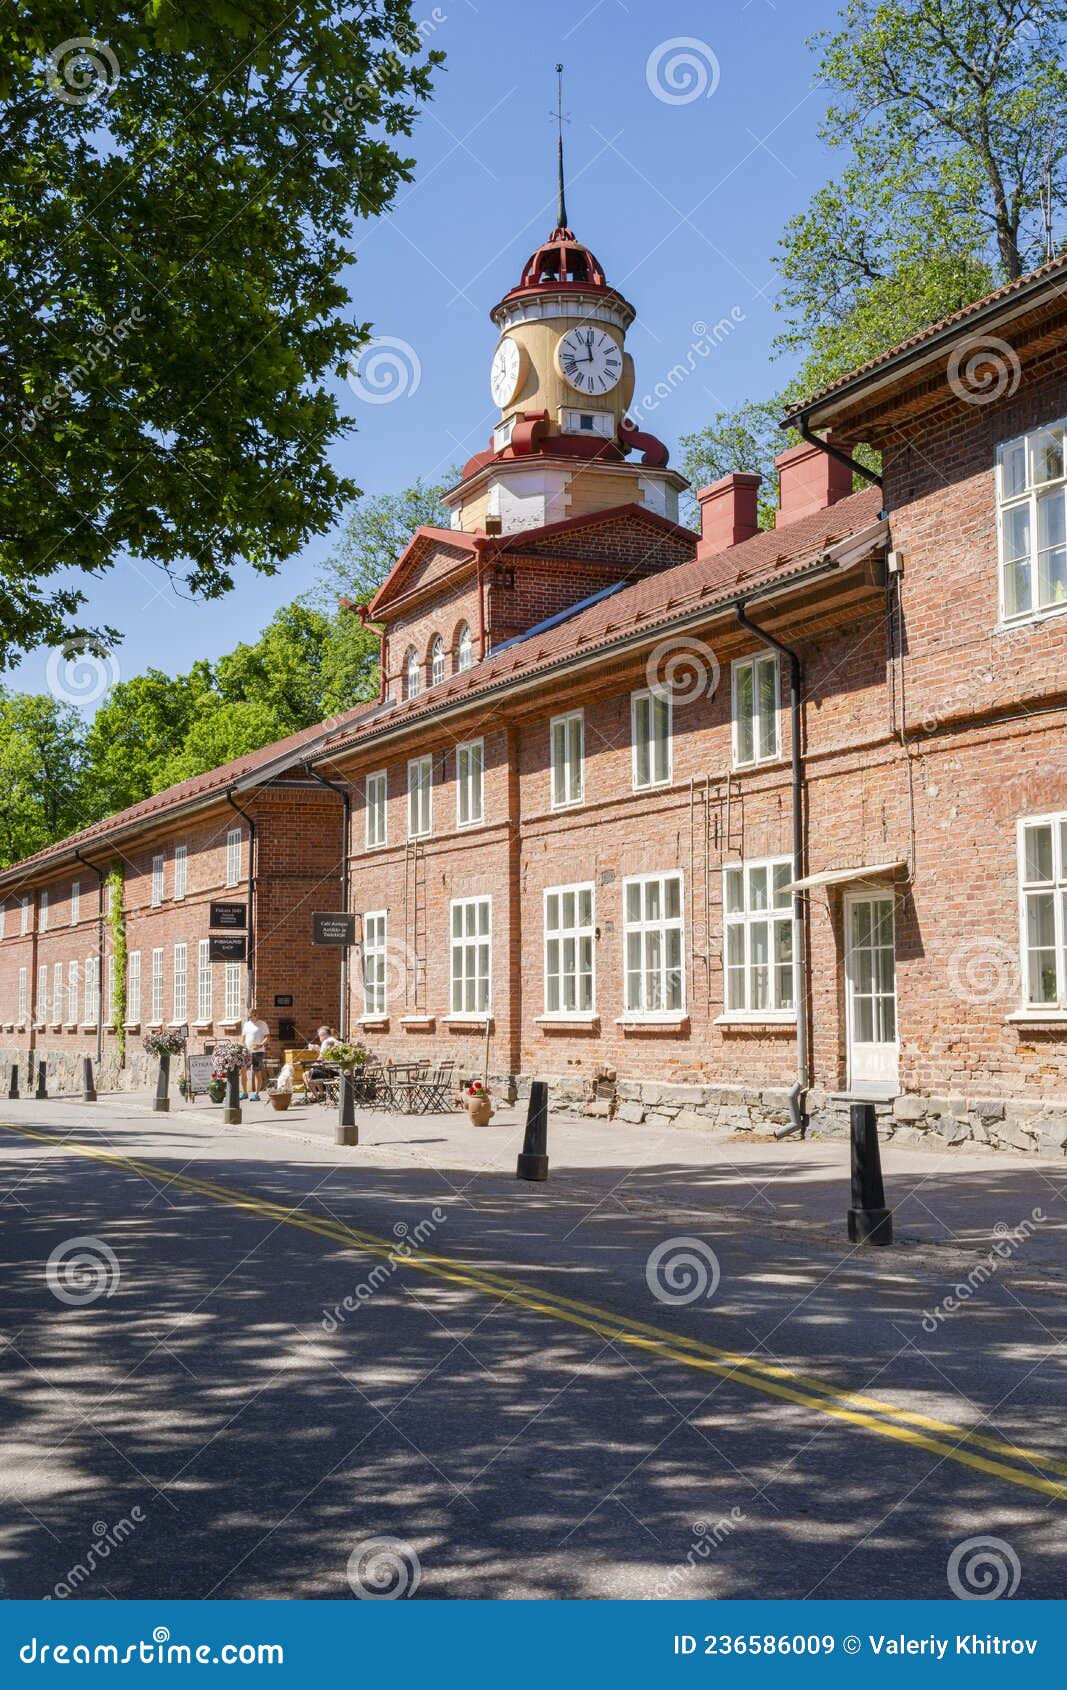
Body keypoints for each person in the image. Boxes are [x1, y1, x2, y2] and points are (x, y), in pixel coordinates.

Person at [240, 1008, 270, 1101]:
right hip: (247, 1051)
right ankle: (244, 1093)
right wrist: (242, 1047)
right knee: (242, 1071)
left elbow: (267, 1038)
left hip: (258, 1051)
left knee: (257, 1072)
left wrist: (260, 1044)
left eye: (252, 1016)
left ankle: (257, 1094)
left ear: (256, 1015)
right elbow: (243, 1038)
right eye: (249, 1017)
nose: (250, 1019)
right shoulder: (246, 1024)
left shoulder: (262, 1024)